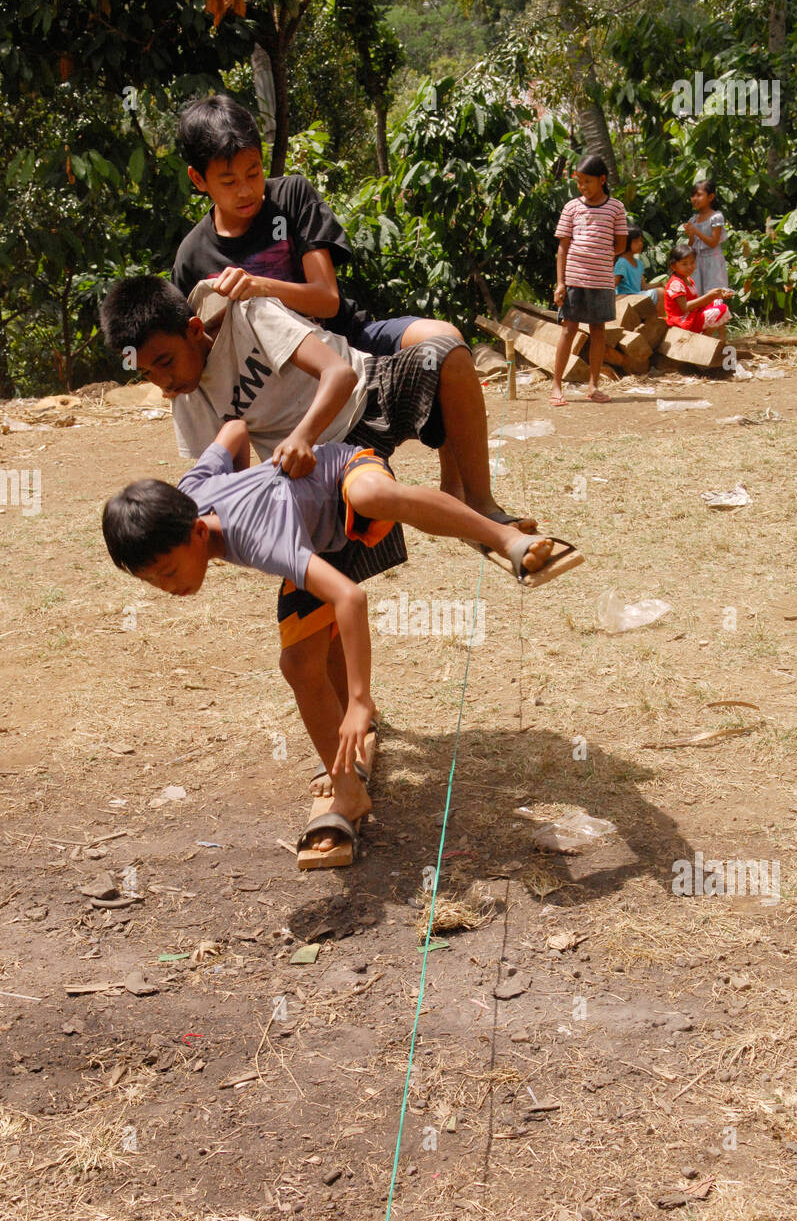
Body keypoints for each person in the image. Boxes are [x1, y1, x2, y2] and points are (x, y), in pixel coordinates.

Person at [99, 275, 537, 795]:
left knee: (445, 356)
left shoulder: (247, 316)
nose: (164, 383)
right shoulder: (191, 426)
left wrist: (297, 442)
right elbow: (231, 438)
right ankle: (348, 775)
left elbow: (337, 373)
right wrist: (251, 490)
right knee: (300, 656)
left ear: (195, 330)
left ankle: (483, 514)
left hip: (349, 424)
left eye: (165, 362)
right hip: (310, 500)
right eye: (148, 374)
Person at [101, 418, 559, 859]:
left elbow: (352, 600)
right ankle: (349, 791)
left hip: (343, 476)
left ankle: (504, 538)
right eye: (152, 581)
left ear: (198, 531)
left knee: (372, 492)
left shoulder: (259, 539)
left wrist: (360, 701)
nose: (167, 587)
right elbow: (235, 429)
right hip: (314, 542)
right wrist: (251, 480)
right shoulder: (190, 492)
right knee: (299, 665)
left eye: (168, 571)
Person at [172, 94, 461, 357]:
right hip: (266, 384)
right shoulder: (192, 256)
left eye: (253, 172)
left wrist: (259, 287)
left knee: (445, 340)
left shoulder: (292, 197)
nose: (246, 190)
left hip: (346, 339)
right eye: (229, 182)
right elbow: (192, 348)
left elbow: (327, 301)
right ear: (198, 179)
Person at [551, 155, 628, 406]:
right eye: (579, 182)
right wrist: (560, 282)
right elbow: (562, 248)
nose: (582, 186)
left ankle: (594, 386)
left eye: (588, 182)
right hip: (573, 279)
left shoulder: (615, 208)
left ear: (602, 180)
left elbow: (621, 244)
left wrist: (599, 255)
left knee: (598, 332)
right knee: (568, 330)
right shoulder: (571, 208)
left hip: (602, 281)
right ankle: (556, 385)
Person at [664, 244, 732, 339]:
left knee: (718, 302)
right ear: (673, 267)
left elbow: (697, 303)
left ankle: (720, 338)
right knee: (721, 309)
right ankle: (704, 338)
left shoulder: (688, 280)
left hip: (693, 314)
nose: (689, 267)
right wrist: (709, 296)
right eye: (684, 264)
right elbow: (685, 307)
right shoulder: (676, 283)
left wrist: (716, 295)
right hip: (683, 321)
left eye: (692, 263)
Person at [683, 179, 729, 295]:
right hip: (696, 262)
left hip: (713, 262)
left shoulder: (716, 217)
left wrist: (696, 231)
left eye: (699, 195)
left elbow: (713, 242)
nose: (694, 198)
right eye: (693, 195)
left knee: (714, 295)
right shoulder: (693, 219)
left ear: (711, 197)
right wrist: (691, 235)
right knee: (696, 294)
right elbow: (691, 245)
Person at [613, 227, 659, 306]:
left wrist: (660, 284)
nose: (640, 243)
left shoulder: (639, 263)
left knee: (659, 291)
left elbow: (643, 286)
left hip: (637, 296)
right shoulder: (622, 262)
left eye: (641, 240)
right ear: (627, 243)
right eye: (636, 241)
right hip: (626, 299)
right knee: (659, 292)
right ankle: (660, 317)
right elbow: (614, 284)